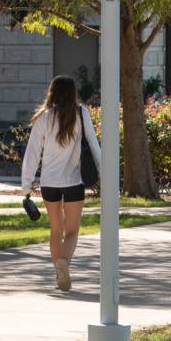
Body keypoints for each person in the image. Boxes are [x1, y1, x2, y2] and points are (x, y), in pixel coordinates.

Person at [19, 74, 100, 292]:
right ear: (73, 93)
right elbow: (93, 144)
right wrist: (104, 173)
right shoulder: (81, 114)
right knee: (72, 230)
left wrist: (26, 185)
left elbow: (32, 153)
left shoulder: (44, 117)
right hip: (74, 181)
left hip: (49, 183)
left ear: (52, 92)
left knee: (56, 229)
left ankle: (58, 271)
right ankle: (64, 263)